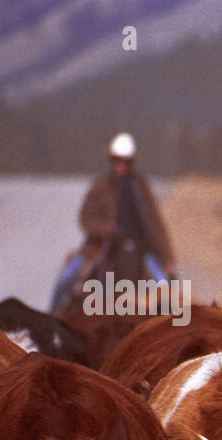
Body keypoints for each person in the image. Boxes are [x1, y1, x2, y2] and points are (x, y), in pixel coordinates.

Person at [48, 132, 175, 313]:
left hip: (140, 248)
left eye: (125, 161)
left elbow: (155, 223)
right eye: (117, 160)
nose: (120, 165)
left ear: (131, 162)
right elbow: (85, 218)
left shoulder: (140, 186)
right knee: (67, 277)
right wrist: (103, 228)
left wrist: (167, 257)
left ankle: (174, 330)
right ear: (112, 160)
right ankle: (52, 316)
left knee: (164, 283)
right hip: (101, 246)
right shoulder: (100, 185)